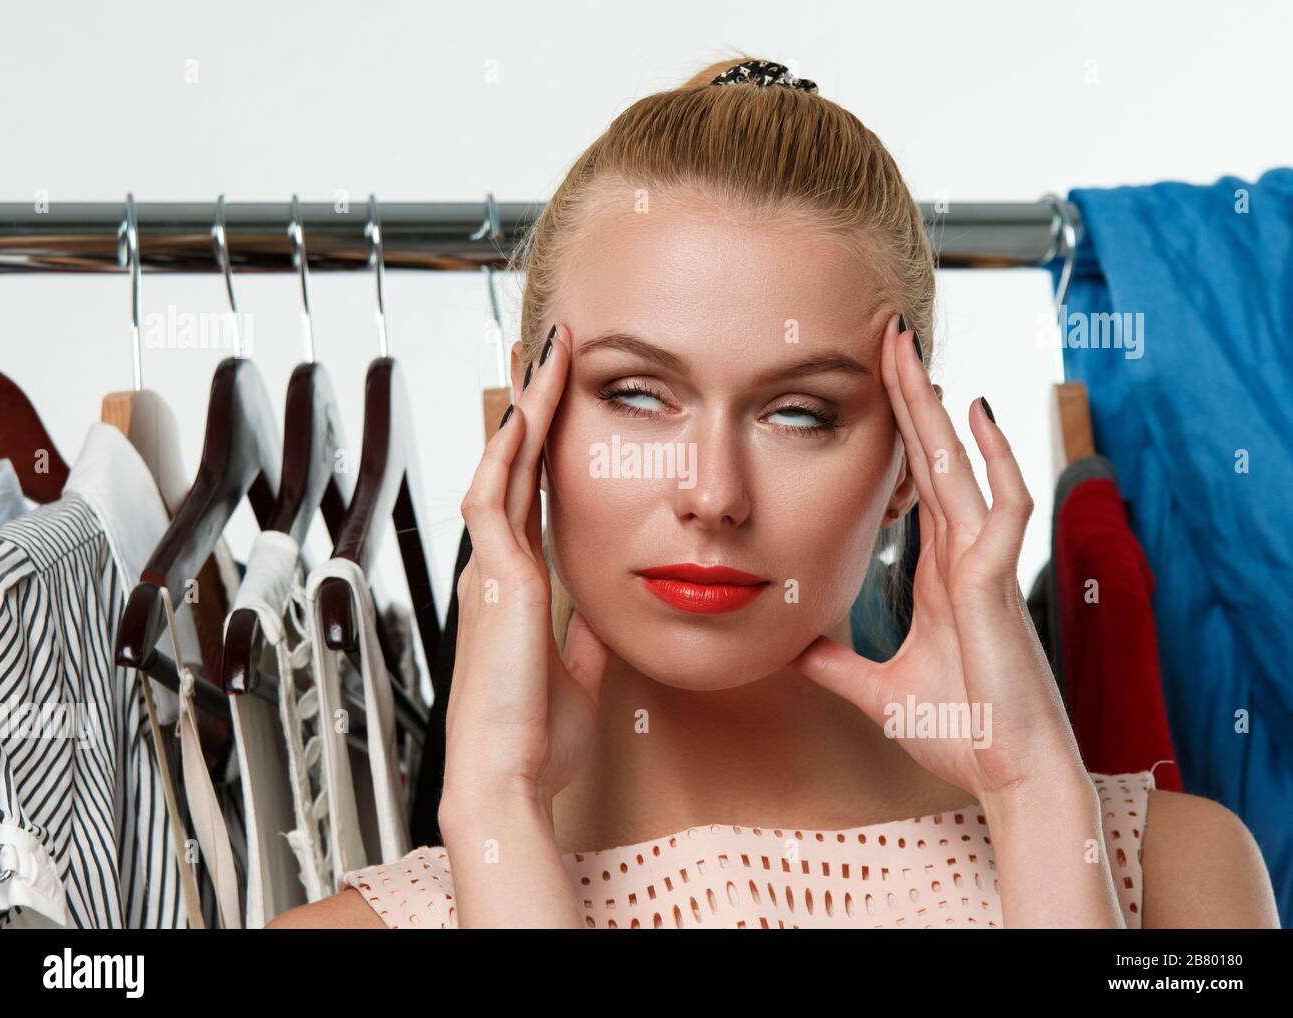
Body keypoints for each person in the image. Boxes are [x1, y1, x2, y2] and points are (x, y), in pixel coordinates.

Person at [268, 54, 1279, 929]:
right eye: (635, 394)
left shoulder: (1179, 875)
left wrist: (1034, 795)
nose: (712, 494)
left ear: (903, 465)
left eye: (798, 412)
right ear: (529, 425)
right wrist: (491, 814)